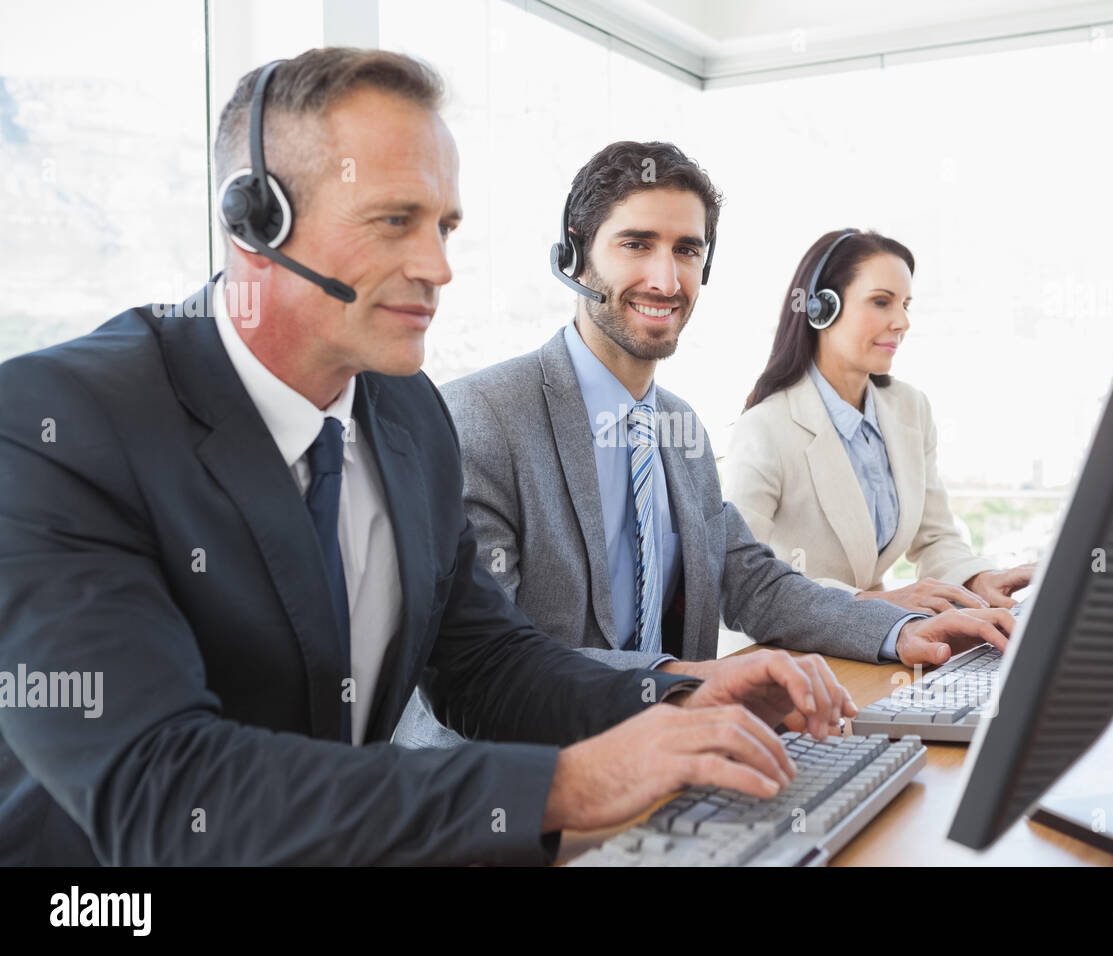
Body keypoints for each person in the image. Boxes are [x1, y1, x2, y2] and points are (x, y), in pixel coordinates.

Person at [0, 49, 860, 866]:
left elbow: (483, 661)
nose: (439, 265)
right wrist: (559, 785)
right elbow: (161, 788)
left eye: (444, 225)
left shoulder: (404, 412)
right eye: (394, 221)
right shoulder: (58, 423)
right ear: (255, 221)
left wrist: (675, 699)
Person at [409, 144, 1015, 722]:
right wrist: (679, 689)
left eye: (687, 251)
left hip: (669, 752)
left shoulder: (678, 428)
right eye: (636, 244)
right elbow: (486, 666)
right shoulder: (483, 418)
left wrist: (898, 631)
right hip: (518, 781)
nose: (666, 281)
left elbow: (752, 581)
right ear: (575, 256)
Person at [723, 228, 1034, 644]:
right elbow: (739, 578)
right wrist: (874, 602)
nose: (903, 322)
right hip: (788, 652)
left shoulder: (910, 408)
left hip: (876, 644)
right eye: (881, 302)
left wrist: (979, 578)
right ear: (821, 309)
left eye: (905, 305)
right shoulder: (765, 427)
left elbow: (935, 537)